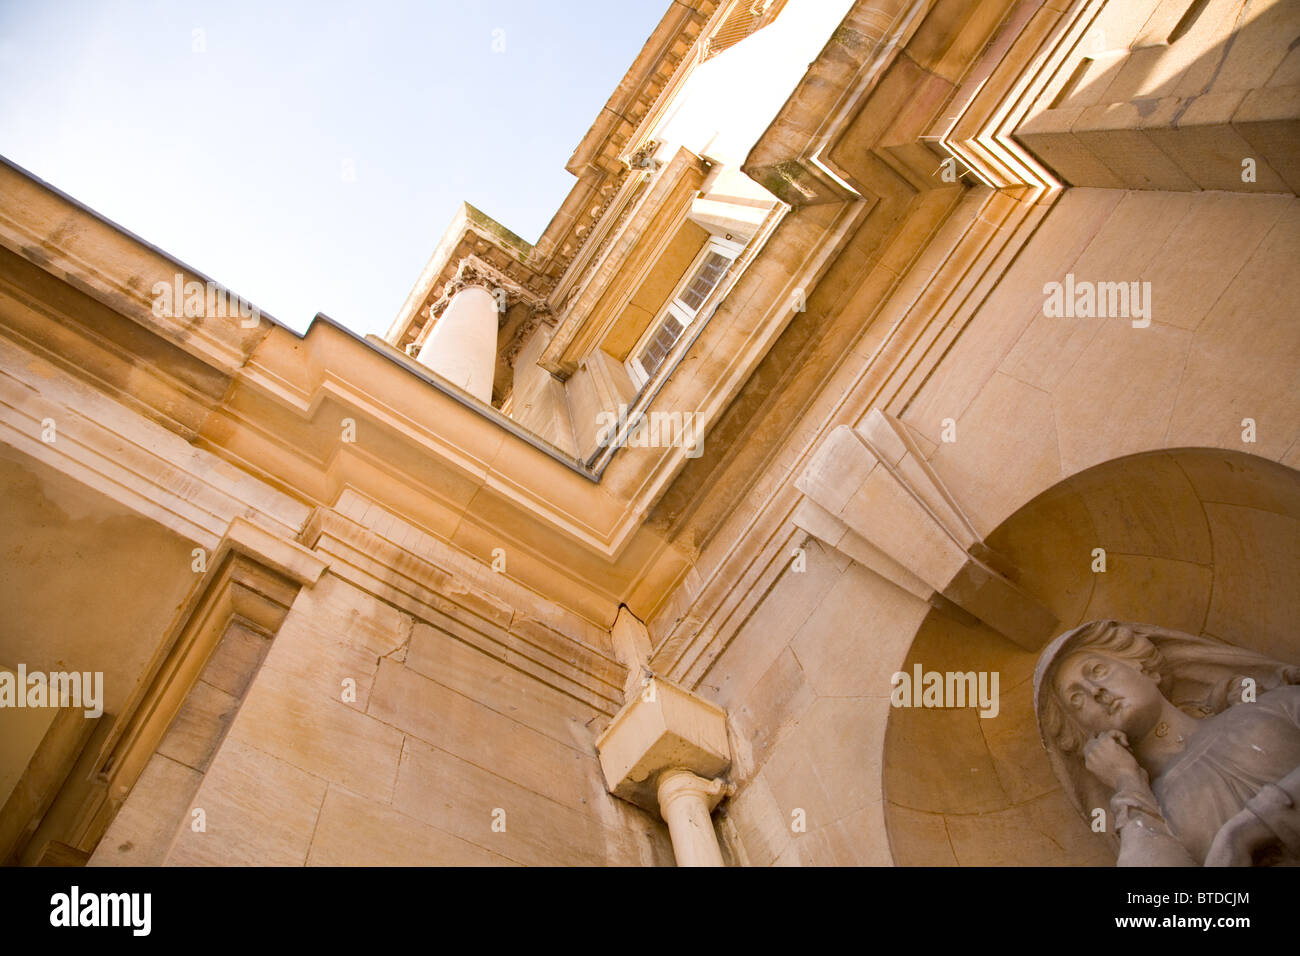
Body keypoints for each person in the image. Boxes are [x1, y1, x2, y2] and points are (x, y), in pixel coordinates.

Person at [1033, 620, 1300, 866]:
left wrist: (1247, 831)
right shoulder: (1152, 817)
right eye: (1077, 700)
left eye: (1098, 670)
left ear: (1144, 668)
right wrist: (1127, 782)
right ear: (1087, 734)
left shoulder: (1273, 706)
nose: (1095, 691)